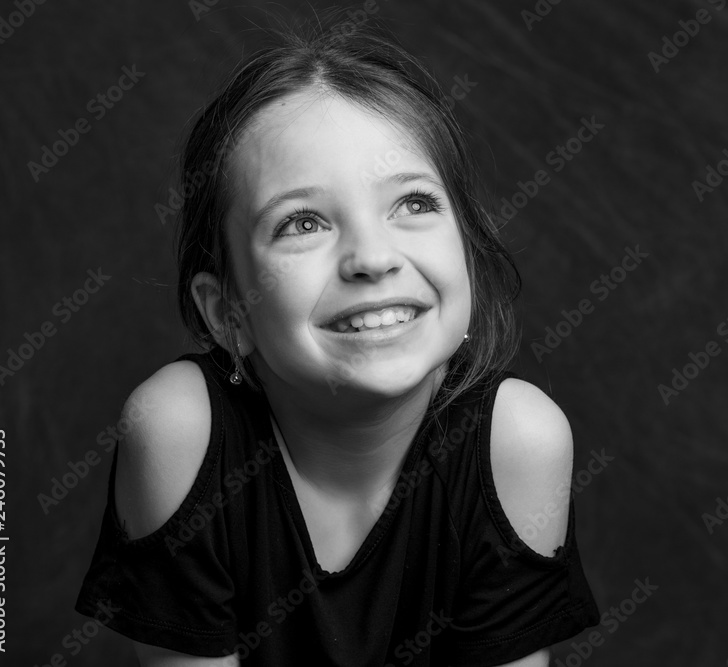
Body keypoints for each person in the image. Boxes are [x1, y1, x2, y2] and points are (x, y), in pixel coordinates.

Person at [75, 16, 600, 666]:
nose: (373, 258)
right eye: (302, 221)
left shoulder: (516, 442)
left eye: (413, 203)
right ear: (227, 312)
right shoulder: (179, 431)